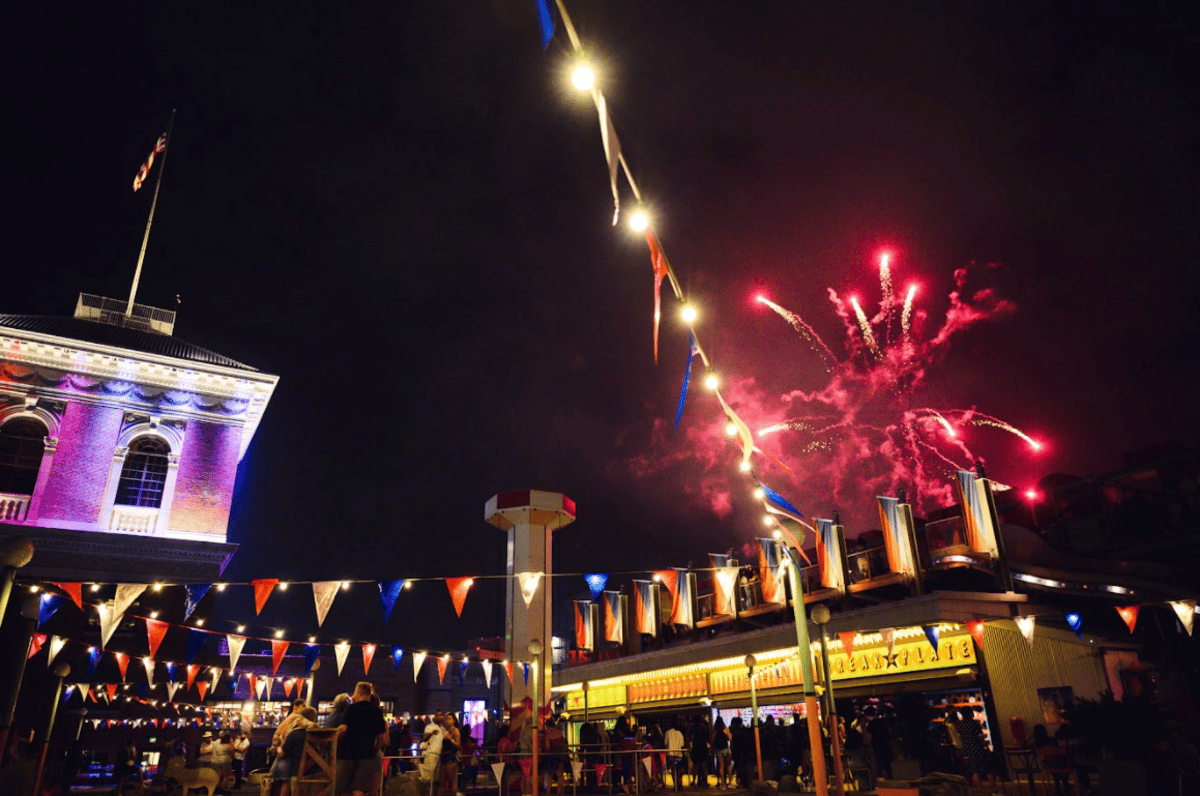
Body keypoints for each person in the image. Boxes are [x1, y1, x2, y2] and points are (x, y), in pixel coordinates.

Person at [337, 682, 389, 796]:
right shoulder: (377, 711)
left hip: (347, 752)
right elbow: (381, 737)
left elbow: (343, 728)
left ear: (358, 692)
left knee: (342, 787)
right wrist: (375, 749)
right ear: (369, 694)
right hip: (367, 753)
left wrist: (334, 742)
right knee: (359, 788)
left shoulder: (351, 708)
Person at [270, 706, 318, 796]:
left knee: (284, 777)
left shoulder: (295, 732)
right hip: (315, 769)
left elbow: (282, 753)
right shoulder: (316, 733)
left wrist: (277, 747)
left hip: (297, 769)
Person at [1033, 724, 1071, 796]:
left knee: (1054, 770)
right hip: (1060, 764)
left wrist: (1029, 737)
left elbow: (1023, 744)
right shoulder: (1051, 740)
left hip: (1046, 766)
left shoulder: (1037, 744)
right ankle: (1064, 782)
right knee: (1062, 763)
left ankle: (1060, 787)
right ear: (1045, 731)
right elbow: (1059, 751)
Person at [421, 711, 446, 783]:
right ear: (434, 716)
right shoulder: (429, 727)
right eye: (436, 715)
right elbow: (424, 739)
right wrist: (431, 733)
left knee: (436, 780)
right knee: (426, 779)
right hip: (430, 755)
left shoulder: (443, 728)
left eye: (440, 715)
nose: (438, 716)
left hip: (439, 756)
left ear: (442, 716)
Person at [440, 714, 462, 796]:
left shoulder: (455, 730)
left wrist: (450, 739)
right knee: (442, 782)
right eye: (446, 719)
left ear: (454, 720)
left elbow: (458, 745)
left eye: (449, 719)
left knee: (452, 782)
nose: (447, 721)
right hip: (444, 757)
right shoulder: (447, 731)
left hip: (451, 757)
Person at [688, 715, 709, 787]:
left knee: (695, 765)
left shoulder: (693, 727)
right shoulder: (704, 727)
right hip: (703, 746)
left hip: (696, 747)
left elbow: (691, 737)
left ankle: (694, 781)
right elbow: (707, 737)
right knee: (704, 765)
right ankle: (705, 781)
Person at [665, 723, 685, 791]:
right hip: (678, 753)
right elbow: (682, 744)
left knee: (673, 769)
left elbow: (665, 743)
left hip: (671, 754)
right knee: (678, 768)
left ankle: (675, 785)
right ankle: (679, 783)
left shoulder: (668, 733)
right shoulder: (679, 733)